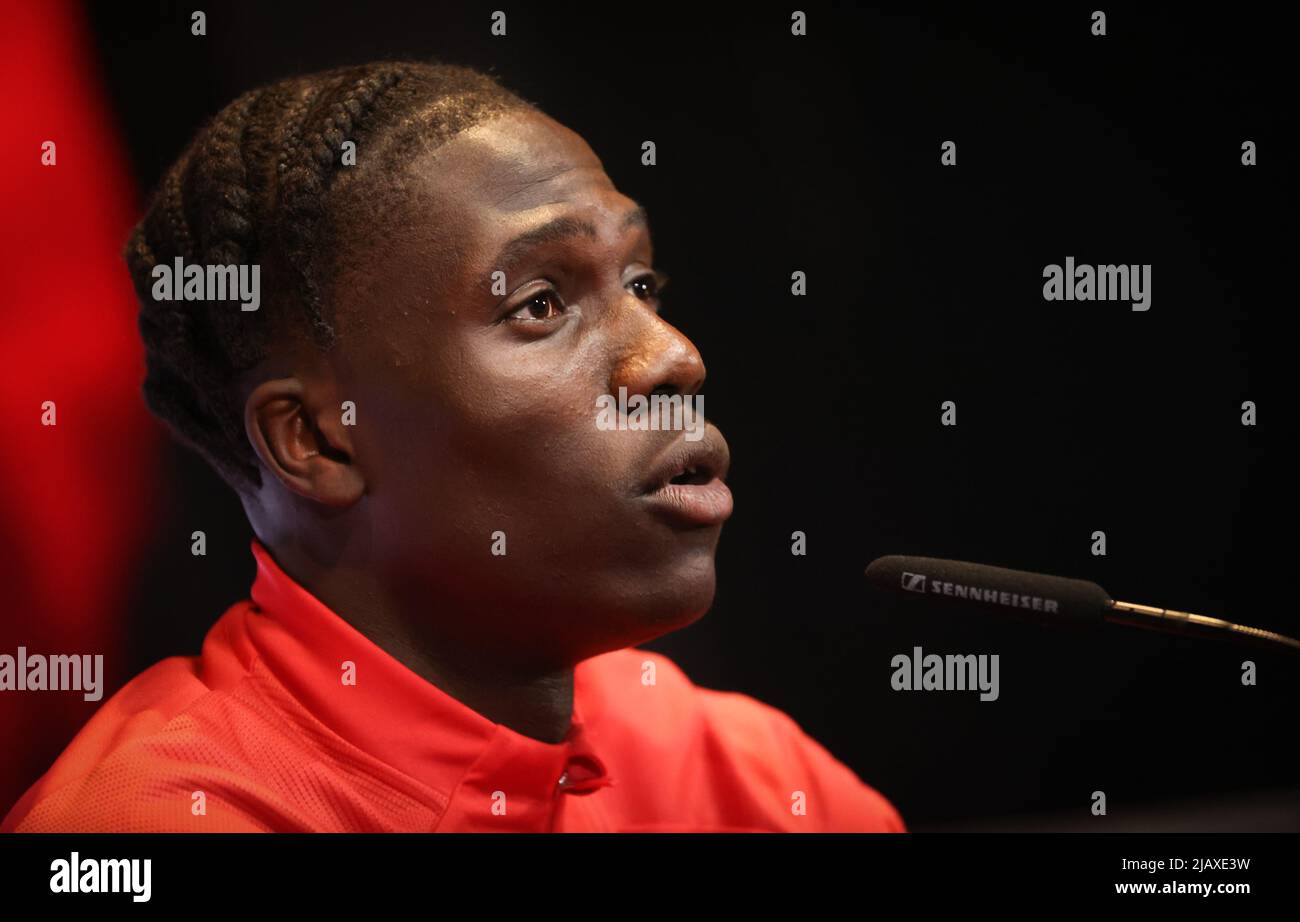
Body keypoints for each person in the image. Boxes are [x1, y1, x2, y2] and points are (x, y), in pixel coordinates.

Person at [3, 60, 904, 832]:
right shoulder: (145, 823)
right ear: (317, 439)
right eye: (541, 304)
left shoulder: (731, 769)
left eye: (642, 282)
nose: (675, 357)